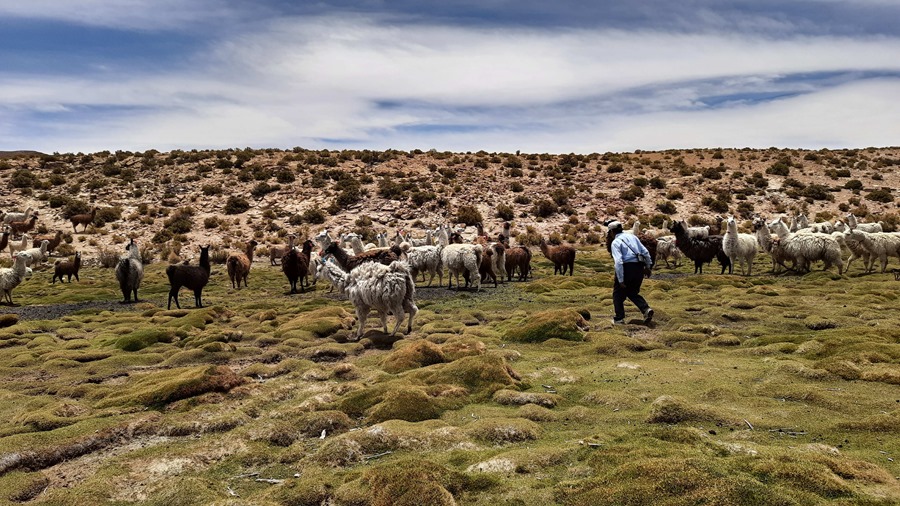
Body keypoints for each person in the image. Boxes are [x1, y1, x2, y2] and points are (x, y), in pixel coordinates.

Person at [607, 221, 654, 324]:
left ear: (611, 232)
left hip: (627, 267)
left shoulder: (615, 242)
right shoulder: (633, 237)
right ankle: (646, 309)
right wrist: (648, 266)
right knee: (632, 292)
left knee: (617, 294)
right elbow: (645, 252)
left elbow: (618, 261)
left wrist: (620, 279)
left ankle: (619, 318)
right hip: (639, 267)